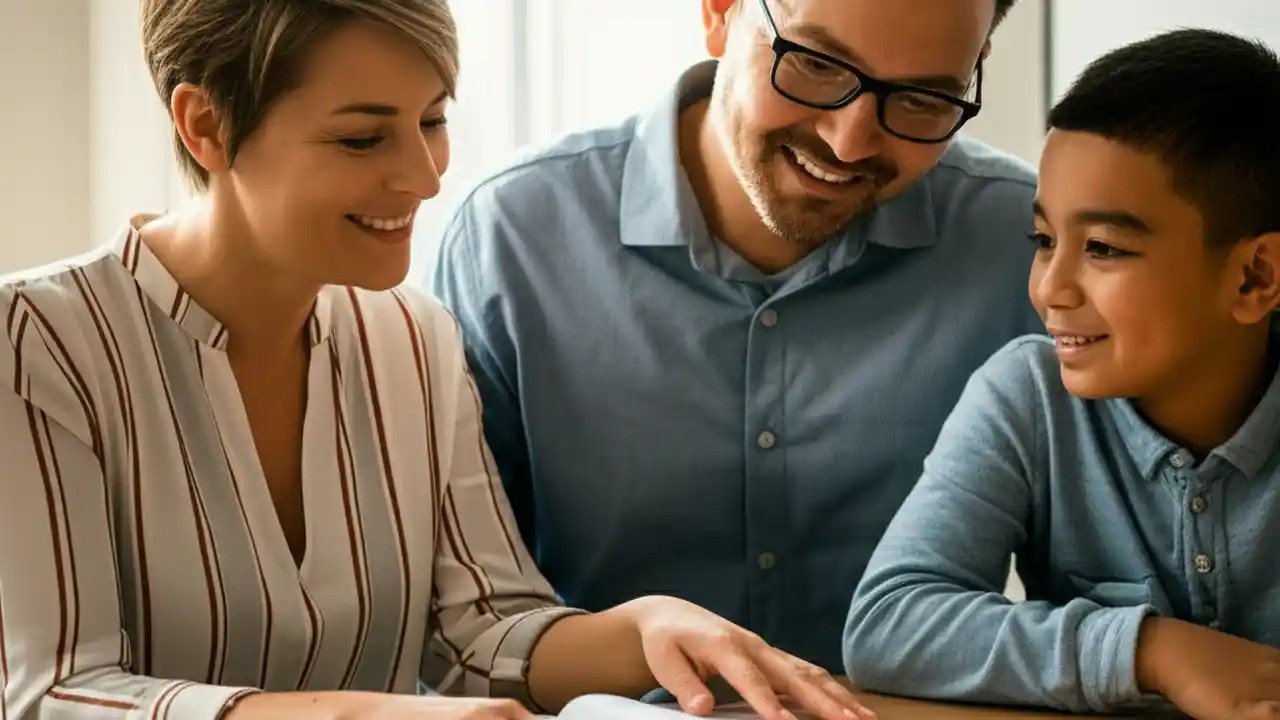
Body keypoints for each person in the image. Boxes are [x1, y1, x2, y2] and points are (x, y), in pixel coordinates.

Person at [0, 2, 875, 719]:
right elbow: (56, 690)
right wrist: (368, 716)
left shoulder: (415, 339)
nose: (424, 177)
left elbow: (481, 635)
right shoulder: (37, 337)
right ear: (205, 126)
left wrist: (647, 628)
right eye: (362, 139)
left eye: (432, 121)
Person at [431, 0, 1038, 671]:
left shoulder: (1030, 247)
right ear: (719, 14)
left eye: (922, 98)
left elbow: (1098, 581)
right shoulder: (510, 239)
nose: (849, 141)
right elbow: (466, 625)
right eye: (814, 64)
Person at [843, 29, 1280, 719]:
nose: (1050, 288)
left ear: (1255, 277)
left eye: (1103, 248)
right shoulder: (1028, 396)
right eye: (1044, 240)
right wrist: (1149, 652)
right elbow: (890, 626)